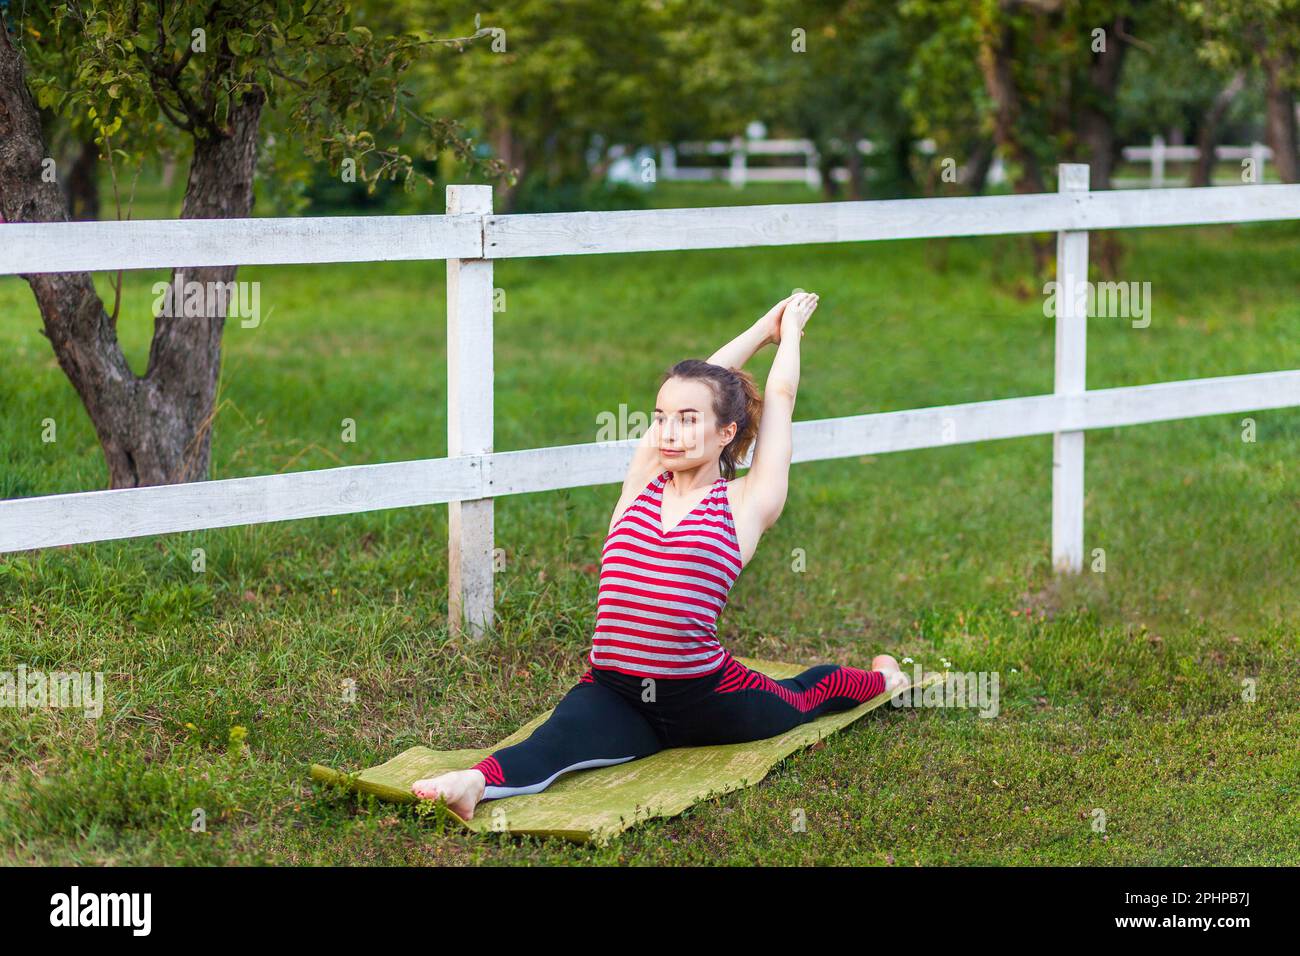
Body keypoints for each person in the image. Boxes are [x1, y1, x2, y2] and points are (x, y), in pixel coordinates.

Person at [413, 292, 907, 819]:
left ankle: (885, 679)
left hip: (707, 697)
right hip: (615, 690)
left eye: (688, 420)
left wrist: (785, 336)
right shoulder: (644, 482)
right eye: (661, 418)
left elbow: (780, 396)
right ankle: (471, 783)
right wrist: (761, 327)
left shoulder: (743, 504)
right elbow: (701, 382)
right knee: (549, 745)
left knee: (806, 696)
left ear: (727, 432)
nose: (669, 432)